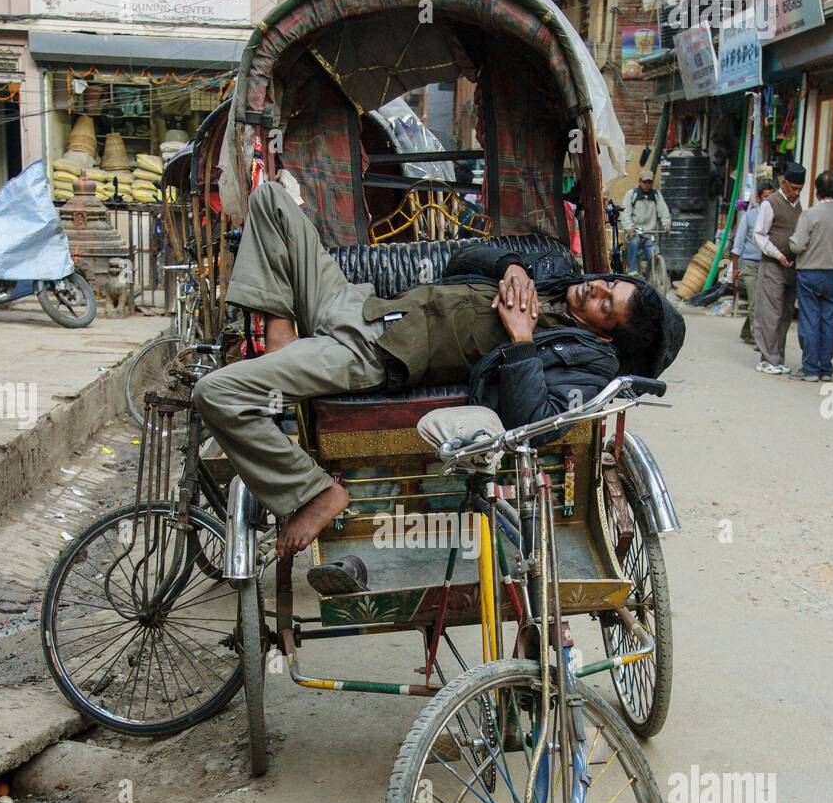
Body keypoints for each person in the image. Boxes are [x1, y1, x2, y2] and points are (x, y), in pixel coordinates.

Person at [195, 183, 684, 558]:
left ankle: (315, 493)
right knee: (270, 199)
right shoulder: (560, 273)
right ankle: (282, 336)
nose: (594, 290)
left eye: (605, 306)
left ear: (607, 335)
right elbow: (461, 258)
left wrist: (520, 340)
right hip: (360, 304)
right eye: (607, 285)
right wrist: (513, 267)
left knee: (215, 393)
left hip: (372, 352)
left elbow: (534, 418)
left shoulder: (588, 359)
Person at [788, 169, 833, 381]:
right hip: (832, 273)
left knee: (809, 320)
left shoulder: (811, 214)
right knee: (828, 320)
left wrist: (789, 242)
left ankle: (810, 368)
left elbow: (797, 245)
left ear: (817, 191)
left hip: (809, 272)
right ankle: (826, 368)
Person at [752, 161, 806, 374]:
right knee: (770, 313)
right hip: (773, 265)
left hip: (791, 267)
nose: (796, 192)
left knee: (785, 314)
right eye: (793, 188)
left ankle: (778, 357)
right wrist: (778, 254)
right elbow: (759, 235)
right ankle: (767, 359)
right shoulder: (770, 203)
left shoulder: (799, 207)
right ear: (784, 183)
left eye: (799, 189)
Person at [730, 179, 775, 344]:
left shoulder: (775, 216)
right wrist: (735, 270)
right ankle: (759, 341)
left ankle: (747, 331)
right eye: (765, 198)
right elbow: (738, 244)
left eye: (772, 198)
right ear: (758, 199)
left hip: (769, 265)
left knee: (763, 303)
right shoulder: (749, 217)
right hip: (750, 265)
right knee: (755, 302)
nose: (768, 202)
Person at [619, 171, 671, 275]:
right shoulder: (632, 194)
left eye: (649, 182)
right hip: (636, 231)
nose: (647, 185)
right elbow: (625, 212)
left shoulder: (656, 195)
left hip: (650, 233)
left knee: (652, 252)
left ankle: (651, 275)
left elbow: (663, 210)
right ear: (639, 182)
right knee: (633, 243)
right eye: (644, 182)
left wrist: (666, 224)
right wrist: (629, 227)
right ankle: (633, 271)